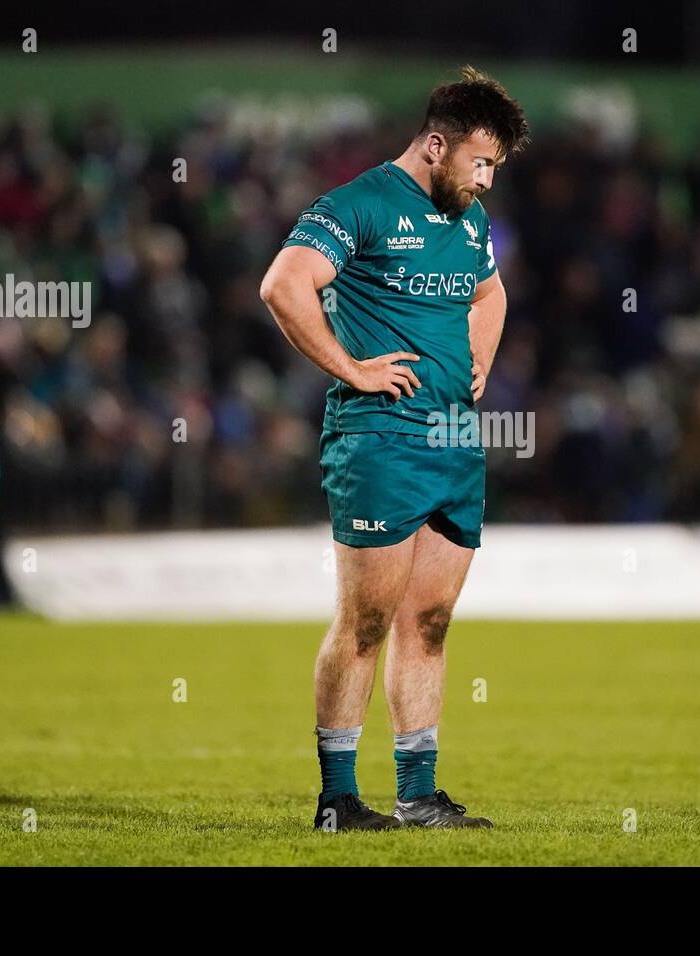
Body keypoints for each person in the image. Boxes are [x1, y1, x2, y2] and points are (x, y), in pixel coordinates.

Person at [259, 66, 529, 830]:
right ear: (436, 146)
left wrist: (479, 363)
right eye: (479, 163)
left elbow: (490, 292)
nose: (485, 180)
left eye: (495, 169)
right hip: (379, 441)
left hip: (451, 442)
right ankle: (338, 800)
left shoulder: (468, 220)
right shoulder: (360, 204)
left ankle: (417, 795)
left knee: (431, 621)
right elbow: (284, 285)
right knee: (366, 623)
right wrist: (350, 369)